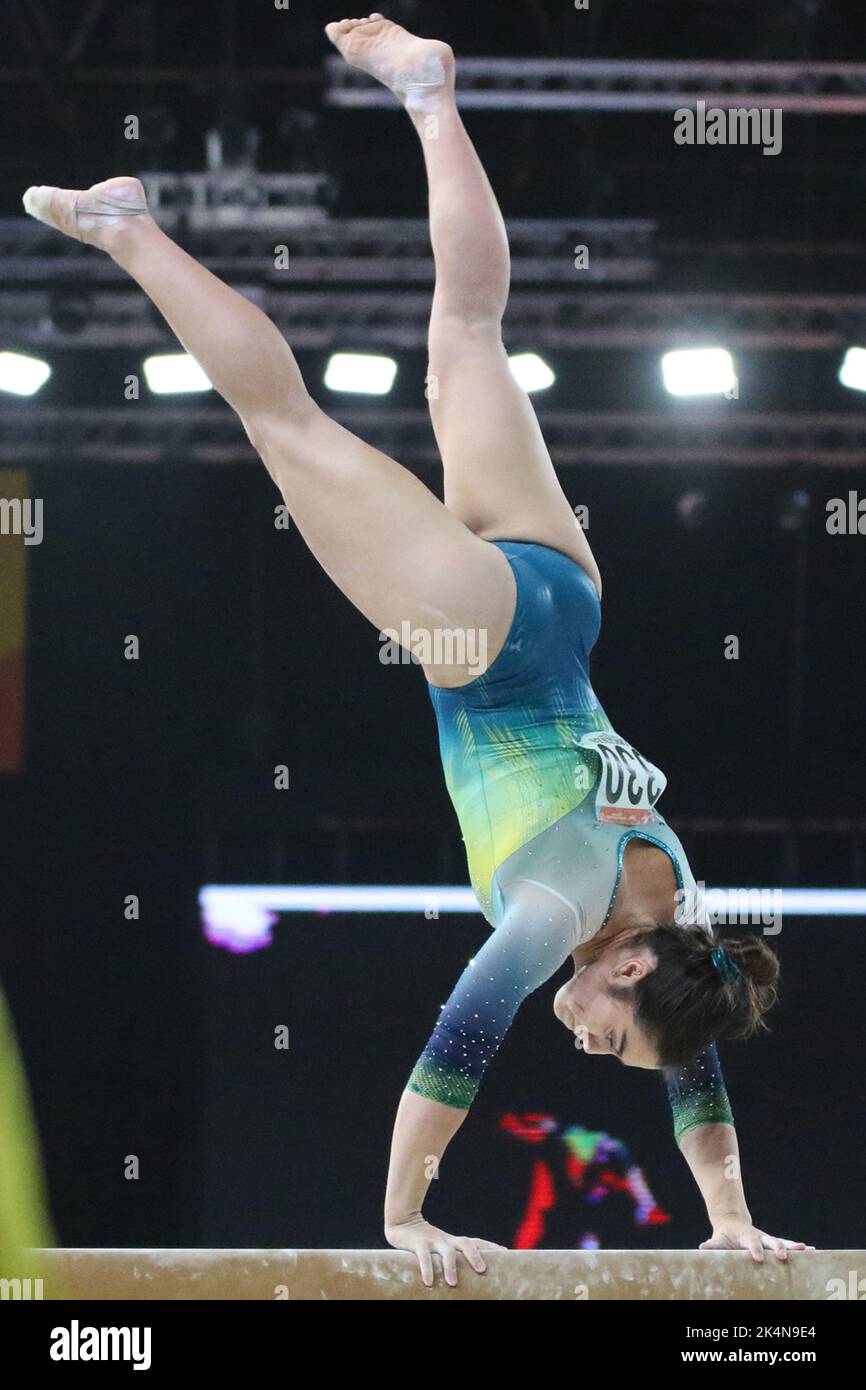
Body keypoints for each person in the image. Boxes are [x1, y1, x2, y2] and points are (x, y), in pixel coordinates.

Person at [23, 13, 813, 1289]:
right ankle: (128, 226)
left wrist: (727, 1215)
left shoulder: (671, 914)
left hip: (565, 595)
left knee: (469, 334)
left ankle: (429, 94)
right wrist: (402, 1217)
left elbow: (694, 1073)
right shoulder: (560, 910)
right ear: (624, 969)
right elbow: (456, 1044)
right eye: (609, 1040)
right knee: (280, 420)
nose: (590, 1048)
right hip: (481, 638)